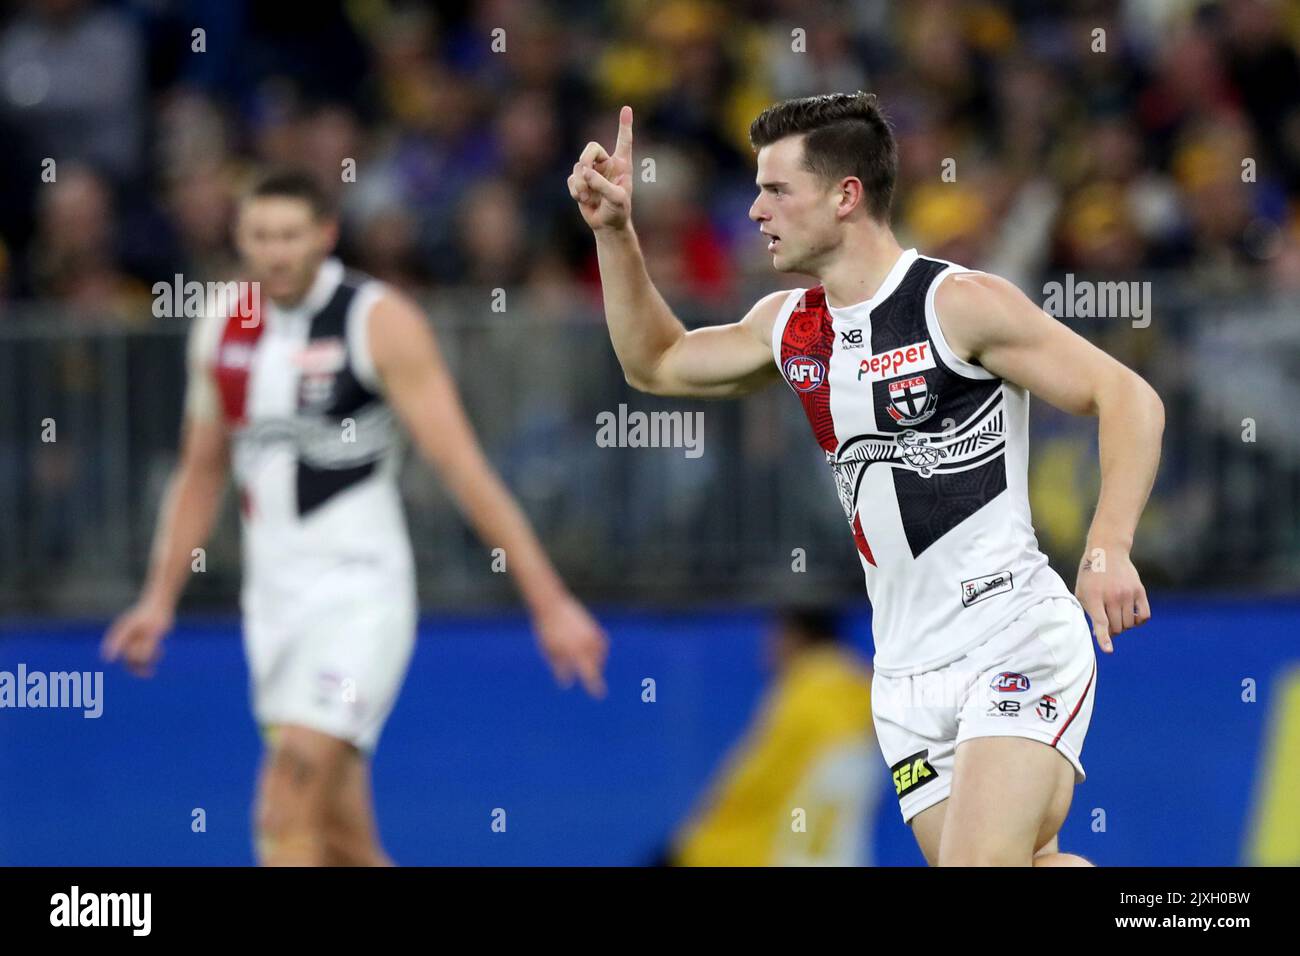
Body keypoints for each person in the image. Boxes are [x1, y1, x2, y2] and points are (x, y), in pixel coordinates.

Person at [568, 92, 1164, 867]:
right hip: (906, 677)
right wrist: (615, 233)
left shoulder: (957, 305)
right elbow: (658, 362)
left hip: (1011, 637)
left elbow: (1126, 397)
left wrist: (1107, 547)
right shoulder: (789, 326)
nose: (753, 210)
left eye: (777, 190)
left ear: (846, 195)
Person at [103, 169, 608, 866]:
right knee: (341, 838)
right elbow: (200, 470)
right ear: (240, 239)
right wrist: (158, 600)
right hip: (275, 603)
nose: (275, 253)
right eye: (259, 237)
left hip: (359, 595)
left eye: (289, 235)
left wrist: (549, 602)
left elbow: (464, 467)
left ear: (325, 235)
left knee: (285, 797)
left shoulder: (377, 319)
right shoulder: (223, 321)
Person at [669, 608, 879, 867]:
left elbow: (753, 785)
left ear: (794, 636)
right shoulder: (863, 694)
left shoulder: (803, 695)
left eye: (774, 633)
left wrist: (690, 850)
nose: (766, 645)